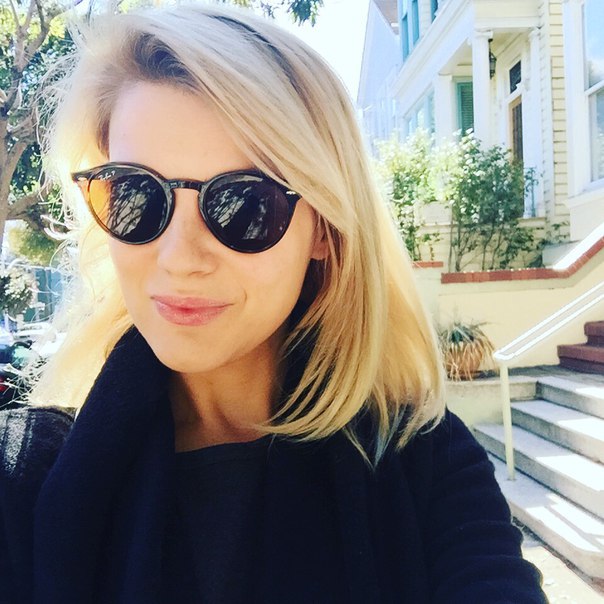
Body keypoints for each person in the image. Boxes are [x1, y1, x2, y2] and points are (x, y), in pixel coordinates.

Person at [0, 3, 548, 603]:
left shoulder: (425, 465)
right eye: (135, 194)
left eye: (244, 204)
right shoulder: (28, 480)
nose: (180, 257)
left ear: (325, 229)